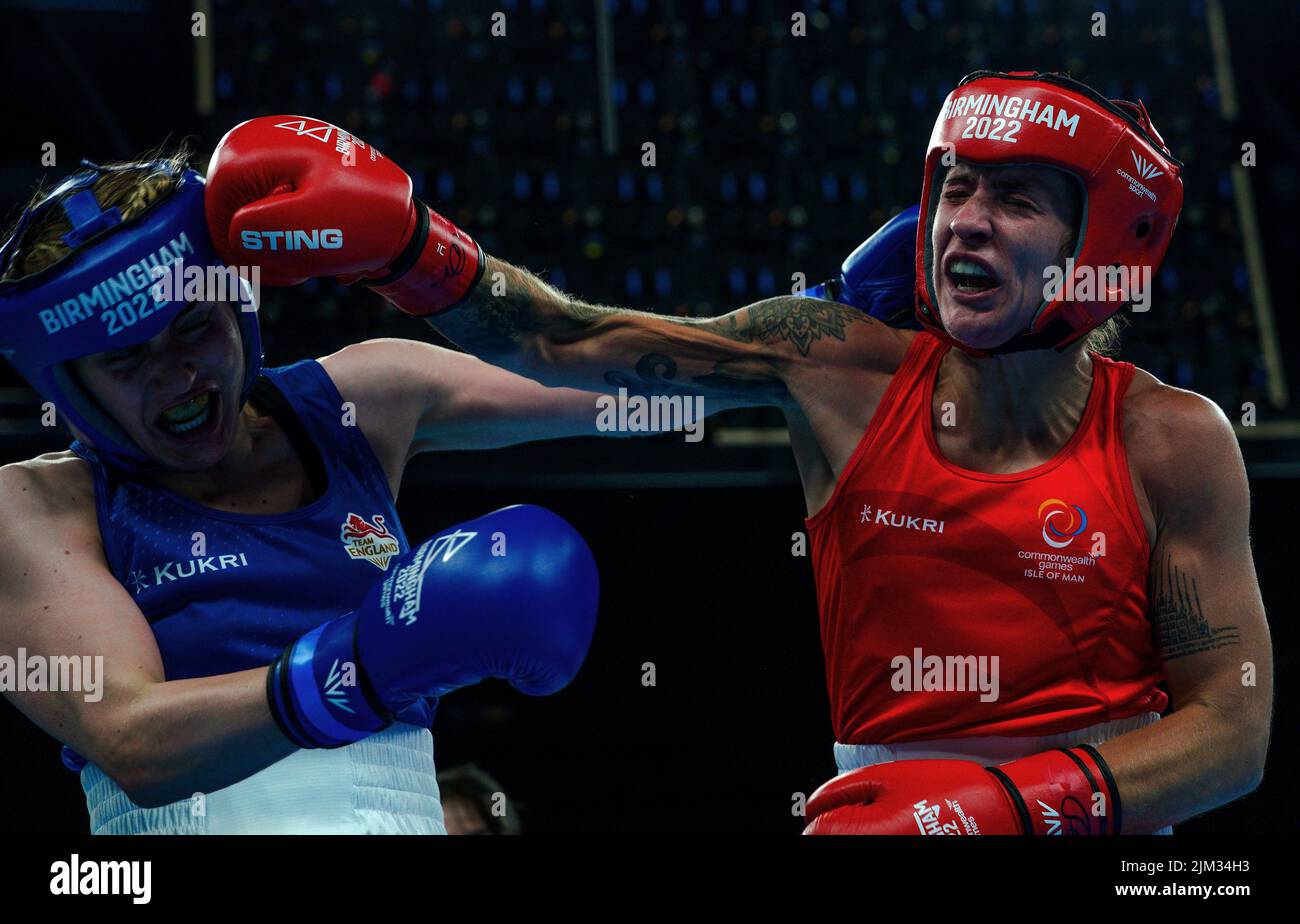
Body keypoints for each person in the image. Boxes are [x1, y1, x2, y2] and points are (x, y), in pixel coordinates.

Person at [207, 71, 1273, 834]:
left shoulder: (1169, 441)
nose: (965, 223)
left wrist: (1000, 807)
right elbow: (568, 337)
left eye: (1017, 198)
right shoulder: (841, 369)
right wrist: (412, 249)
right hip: (876, 818)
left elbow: (1230, 732)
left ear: (1103, 248)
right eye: (955, 188)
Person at [0, 151, 602, 834]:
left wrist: (425, 252)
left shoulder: (360, 402)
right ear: (71, 388)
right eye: (127, 357)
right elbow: (135, 741)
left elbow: (612, 381)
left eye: (193, 324)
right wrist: (365, 666)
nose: (178, 373)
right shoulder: (36, 507)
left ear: (235, 301)